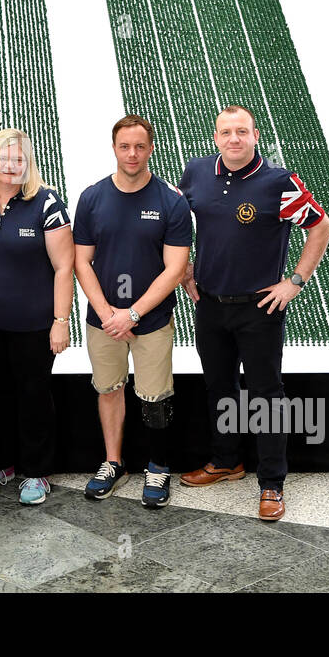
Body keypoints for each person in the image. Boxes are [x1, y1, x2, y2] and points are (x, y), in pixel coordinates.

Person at [177, 105, 329, 521]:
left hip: (259, 310)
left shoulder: (279, 182)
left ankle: (272, 484)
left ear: (255, 136)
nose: (234, 139)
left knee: (267, 395)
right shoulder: (195, 173)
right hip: (209, 304)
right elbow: (175, 223)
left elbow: (321, 226)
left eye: (241, 131)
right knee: (219, 388)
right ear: (215, 138)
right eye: (226, 132)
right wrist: (185, 270)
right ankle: (227, 461)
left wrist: (295, 282)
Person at [73, 114, 191, 508]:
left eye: (140, 146)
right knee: (109, 389)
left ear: (151, 148)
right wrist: (109, 313)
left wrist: (133, 314)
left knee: (155, 397)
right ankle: (113, 463)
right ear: (114, 149)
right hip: (103, 320)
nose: (132, 154)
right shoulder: (91, 198)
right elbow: (80, 261)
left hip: (151, 320)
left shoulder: (171, 201)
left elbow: (175, 268)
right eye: (125, 146)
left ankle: (157, 467)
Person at [0, 129, 73, 505]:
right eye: (4, 158)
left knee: (34, 395)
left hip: (34, 325)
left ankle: (36, 472)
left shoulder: (47, 202)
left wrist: (61, 320)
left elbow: (63, 267)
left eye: (19, 159)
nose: (10, 166)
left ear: (29, 165)